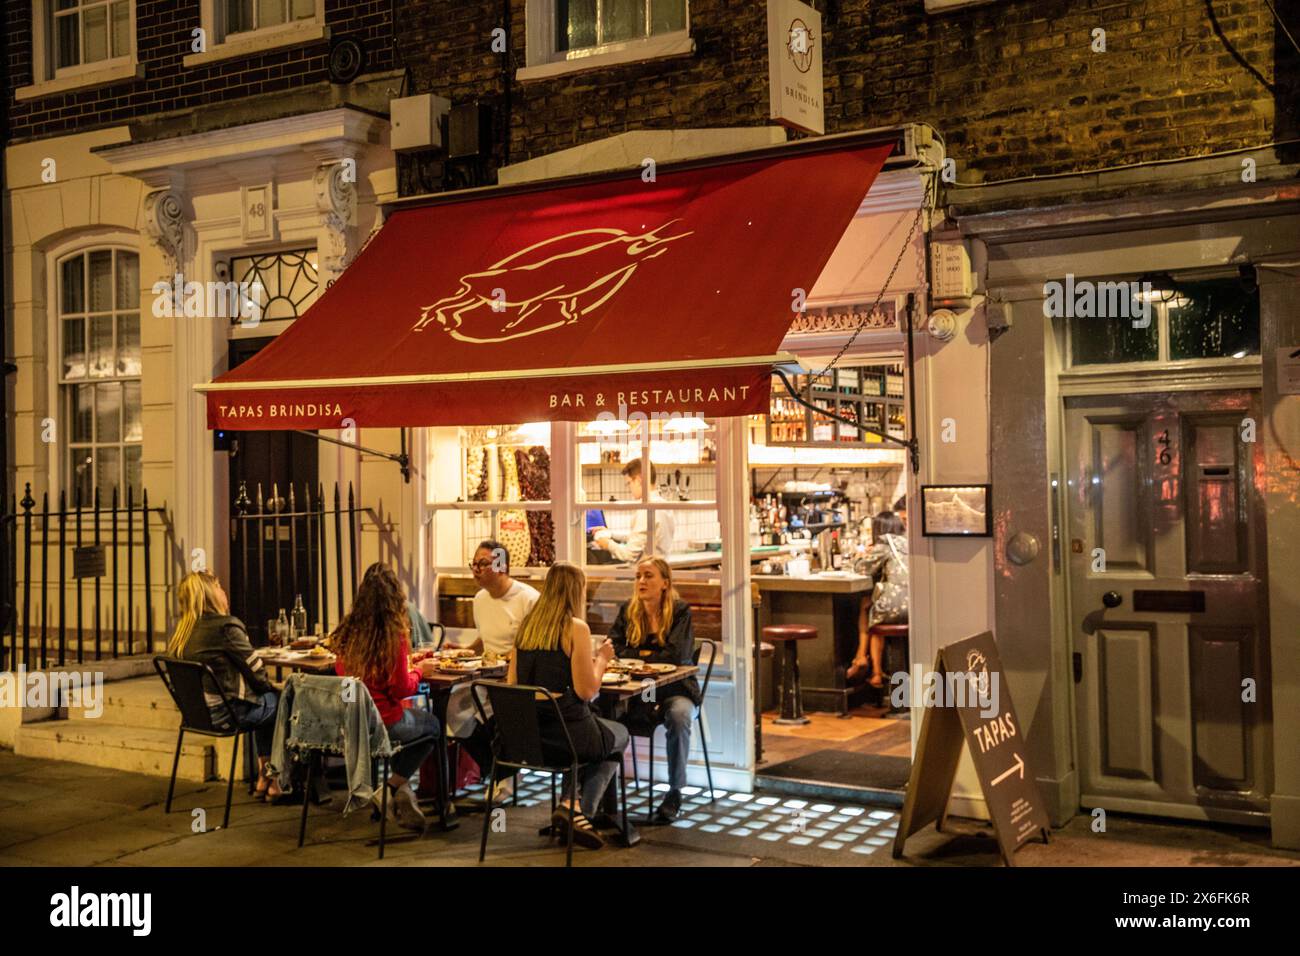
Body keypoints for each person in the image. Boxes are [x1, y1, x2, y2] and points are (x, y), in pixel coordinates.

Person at [510, 562, 629, 849]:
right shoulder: (575, 628)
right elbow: (587, 691)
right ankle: (578, 812)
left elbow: (512, 685)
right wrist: (601, 659)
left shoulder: (526, 626)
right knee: (618, 736)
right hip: (567, 737)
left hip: (528, 741)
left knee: (593, 733)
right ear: (576, 592)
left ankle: (570, 804)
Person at [332, 563, 443, 832]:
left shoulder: (348, 633)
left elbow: (348, 672)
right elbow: (402, 689)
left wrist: (409, 665)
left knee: (412, 729)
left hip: (352, 724)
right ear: (395, 596)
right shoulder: (393, 635)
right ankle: (393, 788)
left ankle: (401, 791)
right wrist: (418, 671)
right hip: (385, 723)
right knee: (432, 726)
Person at [168, 570, 283, 800]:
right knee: (281, 702)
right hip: (226, 715)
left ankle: (264, 778)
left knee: (266, 702)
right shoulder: (225, 627)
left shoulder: (182, 632)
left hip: (197, 715)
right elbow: (258, 675)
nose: (224, 592)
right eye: (219, 587)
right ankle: (277, 780)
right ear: (211, 595)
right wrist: (271, 686)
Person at [608, 556, 698, 823]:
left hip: (675, 688)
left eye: (648, 576)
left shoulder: (680, 611)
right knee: (602, 714)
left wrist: (636, 654)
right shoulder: (628, 610)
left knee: (680, 716)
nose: (641, 582)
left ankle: (675, 791)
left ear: (665, 583)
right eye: (638, 576)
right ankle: (605, 794)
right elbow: (613, 648)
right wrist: (650, 653)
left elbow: (675, 655)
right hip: (637, 692)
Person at [447, 540, 540, 795]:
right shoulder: (480, 599)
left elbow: (534, 646)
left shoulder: (528, 598)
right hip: (485, 676)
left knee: (493, 711)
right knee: (452, 712)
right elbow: (486, 640)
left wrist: (506, 660)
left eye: (483, 564)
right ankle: (498, 771)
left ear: (502, 565)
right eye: (474, 564)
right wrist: (465, 650)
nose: (476, 569)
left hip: (516, 679)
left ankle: (504, 777)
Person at [847, 512, 909, 687]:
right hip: (916, 605)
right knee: (868, 605)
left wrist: (861, 556)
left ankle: (873, 669)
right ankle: (869, 665)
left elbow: (861, 569)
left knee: (871, 615)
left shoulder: (885, 546)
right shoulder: (910, 543)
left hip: (896, 607)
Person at [591, 457, 675, 563]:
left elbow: (629, 554)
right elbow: (640, 538)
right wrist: (610, 534)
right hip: (661, 569)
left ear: (639, 480)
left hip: (648, 572)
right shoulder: (665, 505)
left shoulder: (646, 510)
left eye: (629, 483)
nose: (629, 488)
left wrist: (607, 544)